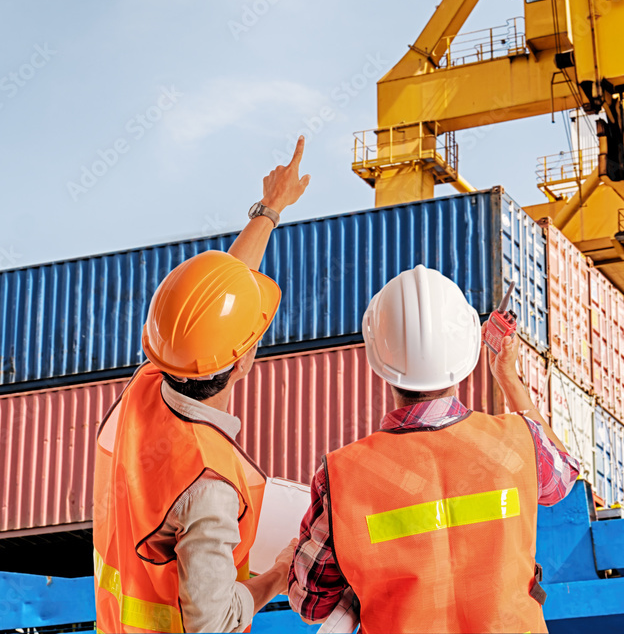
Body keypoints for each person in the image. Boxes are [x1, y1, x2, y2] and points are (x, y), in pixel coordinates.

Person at [93, 137, 311, 633]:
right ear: (244, 361)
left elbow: (209, 312)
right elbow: (211, 625)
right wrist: (278, 575)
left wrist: (269, 210)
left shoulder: (144, 388)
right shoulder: (209, 483)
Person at [288, 265, 581, 633]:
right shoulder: (519, 441)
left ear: (378, 357)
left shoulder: (341, 474)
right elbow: (563, 477)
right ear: (467, 349)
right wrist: (509, 378)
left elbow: (314, 603)